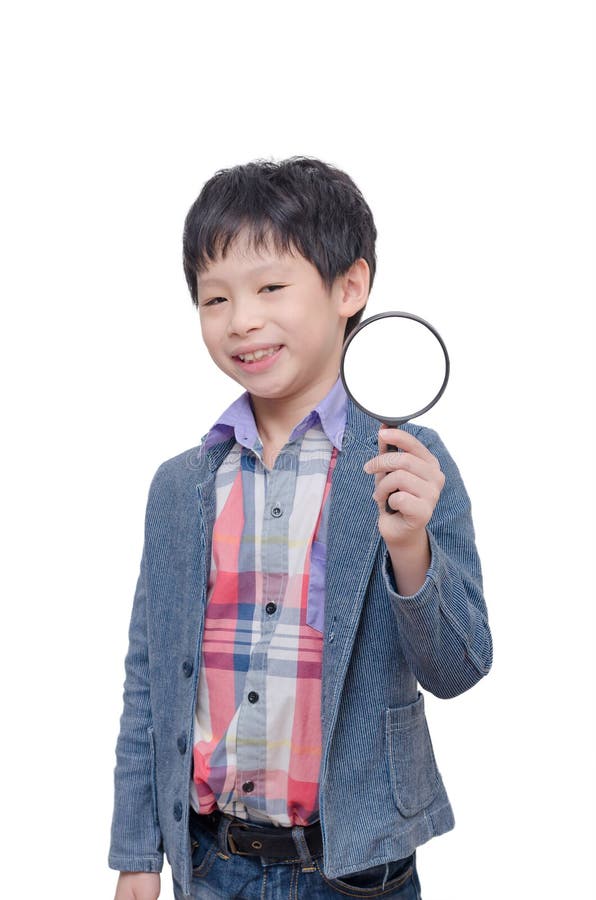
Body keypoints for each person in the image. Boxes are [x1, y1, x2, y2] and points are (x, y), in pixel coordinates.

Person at [108, 157, 492, 900]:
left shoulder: (405, 462)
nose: (241, 319)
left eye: (271, 287)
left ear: (350, 287)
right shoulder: (181, 486)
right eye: (215, 297)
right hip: (209, 863)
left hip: (358, 871)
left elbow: (461, 666)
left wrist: (409, 549)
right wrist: (136, 853)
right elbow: (148, 683)